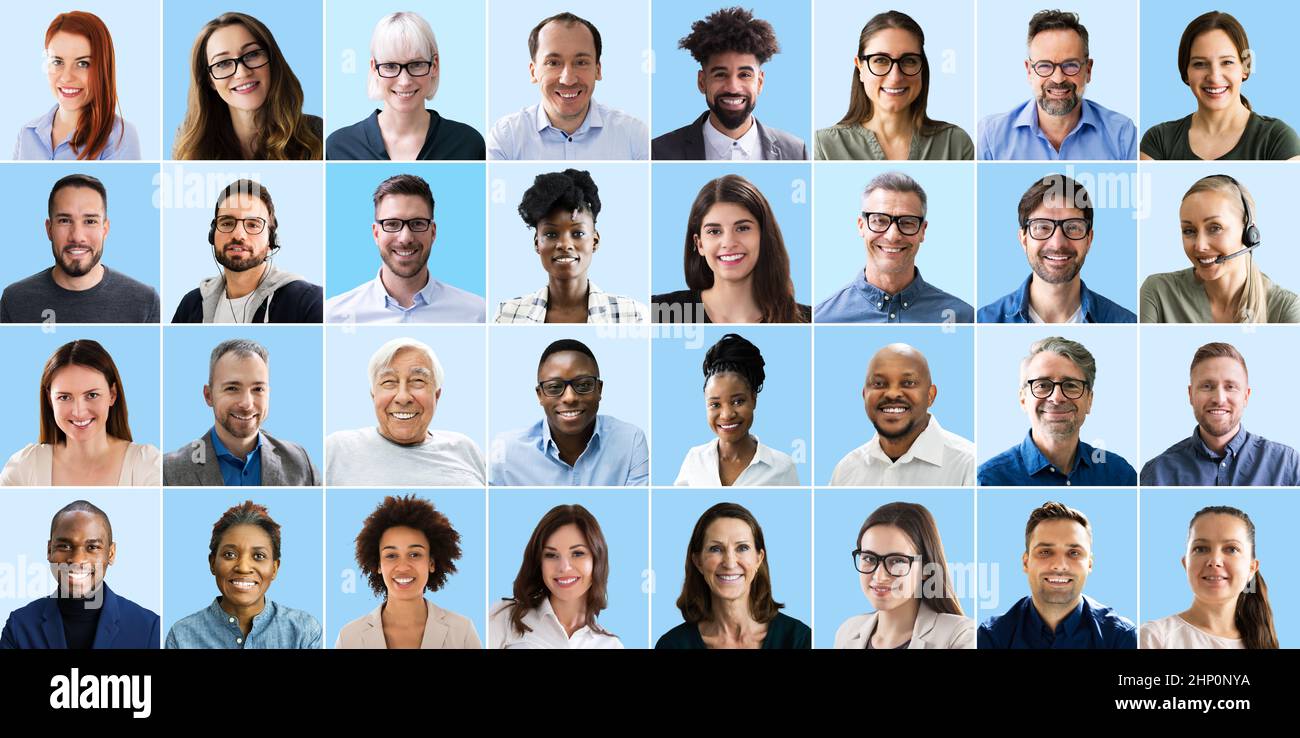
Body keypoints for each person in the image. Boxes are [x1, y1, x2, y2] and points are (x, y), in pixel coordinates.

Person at [814, 171, 973, 323]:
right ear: (861, 226)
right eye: (879, 220)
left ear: (923, 231)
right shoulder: (821, 319)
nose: (892, 236)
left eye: (907, 222)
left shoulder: (964, 318)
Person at [325, 174, 486, 323]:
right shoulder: (334, 315)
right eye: (392, 224)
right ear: (376, 233)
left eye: (417, 223)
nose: (405, 238)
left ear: (433, 232)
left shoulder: (476, 313)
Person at [1141, 12, 1300, 161]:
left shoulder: (1278, 139)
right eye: (1200, 64)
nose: (1215, 77)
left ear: (1245, 68)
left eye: (1227, 62)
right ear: (1185, 72)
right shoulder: (1159, 140)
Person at [978, 336, 1137, 485]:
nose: (1057, 397)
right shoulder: (990, 480)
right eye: (1042, 385)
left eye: (1070, 385)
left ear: (1089, 400)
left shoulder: (1120, 475)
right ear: (1023, 399)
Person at [1, 173, 159, 323]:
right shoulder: (14, 300)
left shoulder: (145, 302)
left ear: (105, 229)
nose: (77, 236)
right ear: (49, 229)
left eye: (90, 221)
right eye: (64, 220)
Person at [978, 10, 1136, 160]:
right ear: (1029, 71)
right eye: (1044, 66)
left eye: (1070, 65)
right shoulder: (990, 137)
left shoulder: (1123, 135)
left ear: (1088, 70)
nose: (1058, 78)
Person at [487, 12, 647, 160]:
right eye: (553, 63)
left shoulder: (634, 137)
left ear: (598, 70)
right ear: (533, 71)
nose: (568, 79)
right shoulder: (507, 138)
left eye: (581, 62)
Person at [326, 337, 485, 486]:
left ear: (436, 395)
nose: (403, 397)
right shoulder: (337, 448)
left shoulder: (465, 449)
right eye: (389, 382)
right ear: (373, 395)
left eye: (418, 381)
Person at [327, 12, 485, 160]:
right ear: (374, 68)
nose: (404, 81)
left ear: (434, 65)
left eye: (416, 64)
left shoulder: (468, 143)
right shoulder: (338, 147)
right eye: (390, 66)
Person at [0, 500, 159, 649]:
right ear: (49, 550)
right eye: (65, 546)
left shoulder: (149, 627)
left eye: (92, 547)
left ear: (110, 554)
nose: (77, 560)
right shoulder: (19, 626)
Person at [1141, 174, 1299, 323]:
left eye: (1215, 228)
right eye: (1189, 231)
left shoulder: (1286, 308)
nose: (1200, 246)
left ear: (1249, 232)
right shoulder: (1158, 292)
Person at [494, 169, 647, 323]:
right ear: (537, 243)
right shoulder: (508, 314)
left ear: (595, 241)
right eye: (551, 234)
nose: (564, 245)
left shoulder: (631, 314)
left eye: (578, 233)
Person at [815, 11, 972, 160]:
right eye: (880, 60)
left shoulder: (955, 144)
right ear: (860, 67)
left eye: (909, 60)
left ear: (922, 67)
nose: (895, 77)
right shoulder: (825, 147)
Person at [978, 174, 1135, 323]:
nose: (1057, 243)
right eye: (1043, 227)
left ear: (1089, 239)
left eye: (1072, 227)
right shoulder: (983, 321)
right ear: (1024, 239)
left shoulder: (1127, 322)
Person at [653, 7, 805, 160]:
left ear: (759, 82)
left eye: (744, 75)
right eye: (720, 74)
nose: (733, 87)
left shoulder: (796, 152)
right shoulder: (659, 152)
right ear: (702, 81)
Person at [653, 174, 809, 323]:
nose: (728, 242)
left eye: (742, 228)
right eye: (714, 231)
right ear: (699, 244)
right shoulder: (658, 312)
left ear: (763, 235)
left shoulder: (808, 320)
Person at [979, 501, 1136, 649]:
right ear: (1026, 562)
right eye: (1045, 552)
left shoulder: (1121, 637)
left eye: (1074, 553)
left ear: (1089, 563)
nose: (1060, 565)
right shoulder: (991, 637)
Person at [1, 339, 159, 486]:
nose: (78, 412)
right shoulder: (23, 468)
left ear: (112, 394)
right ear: (50, 400)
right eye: (64, 397)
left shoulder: (147, 467)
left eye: (92, 395)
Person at [165, 501, 322, 648]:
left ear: (274, 568)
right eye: (230, 554)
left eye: (259, 556)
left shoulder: (304, 631)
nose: (243, 567)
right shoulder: (182, 635)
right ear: (213, 563)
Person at [490, 339, 648, 486]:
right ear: (540, 395)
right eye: (554, 387)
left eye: (584, 384)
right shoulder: (506, 450)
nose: (570, 398)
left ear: (599, 389)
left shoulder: (630, 441)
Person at [164, 339, 320, 486]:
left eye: (258, 389)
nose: (246, 403)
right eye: (232, 388)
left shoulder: (300, 462)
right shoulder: (169, 471)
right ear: (208, 395)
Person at [1141, 343, 1300, 486]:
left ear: (1246, 396)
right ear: (1191, 394)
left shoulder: (1288, 465)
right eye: (1207, 386)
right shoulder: (1157, 473)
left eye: (1230, 387)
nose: (1219, 399)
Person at [656, 502, 810, 649]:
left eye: (742, 548)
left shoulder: (800, 639)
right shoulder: (672, 644)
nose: (730, 563)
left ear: (759, 558)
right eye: (715, 549)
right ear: (698, 562)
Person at [172, 12, 322, 160]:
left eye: (252, 54)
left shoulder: (316, 134)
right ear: (210, 80)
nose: (242, 73)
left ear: (271, 60)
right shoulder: (189, 145)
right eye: (223, 63)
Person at [336, 495, 480, 649]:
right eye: (391, 556)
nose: (403, 567)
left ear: (431, 563)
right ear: (378, 565)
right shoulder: (350, 637)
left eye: (414, 554)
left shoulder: (462, 631)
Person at [171, 178, 323, 324]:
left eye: (252, 224)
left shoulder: (308, 302)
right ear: (212, 234)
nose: (238, 235)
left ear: (271, 239)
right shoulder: (191, 304)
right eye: (227, 223)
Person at [834, 502, 974, 649]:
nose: (879, 576)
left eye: (897, 561)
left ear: (926, 569)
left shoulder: (960, 636)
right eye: (869, 558)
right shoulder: (847, 633)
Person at [830, 343, 974, 486]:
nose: (892, 393)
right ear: (864, 394)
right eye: (879, 383)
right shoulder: (845, 471)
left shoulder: (969, 465)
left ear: (930, 395)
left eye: (908, 383)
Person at [1141, 506, 1277, 649]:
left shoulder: (1263, 643)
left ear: (1251, 569)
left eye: (1231, 549)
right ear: (1185, 564)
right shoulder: (1154, 637)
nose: (1214, 561)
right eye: (1201, 549)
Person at [488, 504, 622, 649]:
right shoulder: (504, 617)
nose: (564, 567)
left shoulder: (611, 645)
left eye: (578, 553)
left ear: (597, 559)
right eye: (551, 555)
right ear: (539, 563)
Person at [674, 334, 798, 486]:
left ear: (753, 399)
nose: (727, 415)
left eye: (738, 401)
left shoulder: (781, 467)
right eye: (715, 404)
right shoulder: (694, 459)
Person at [14, 11, 140, 160]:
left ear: (103, 68)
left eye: (82, 63)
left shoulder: (120, 137)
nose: (66, 77)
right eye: (57, 62)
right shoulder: (27, 134)